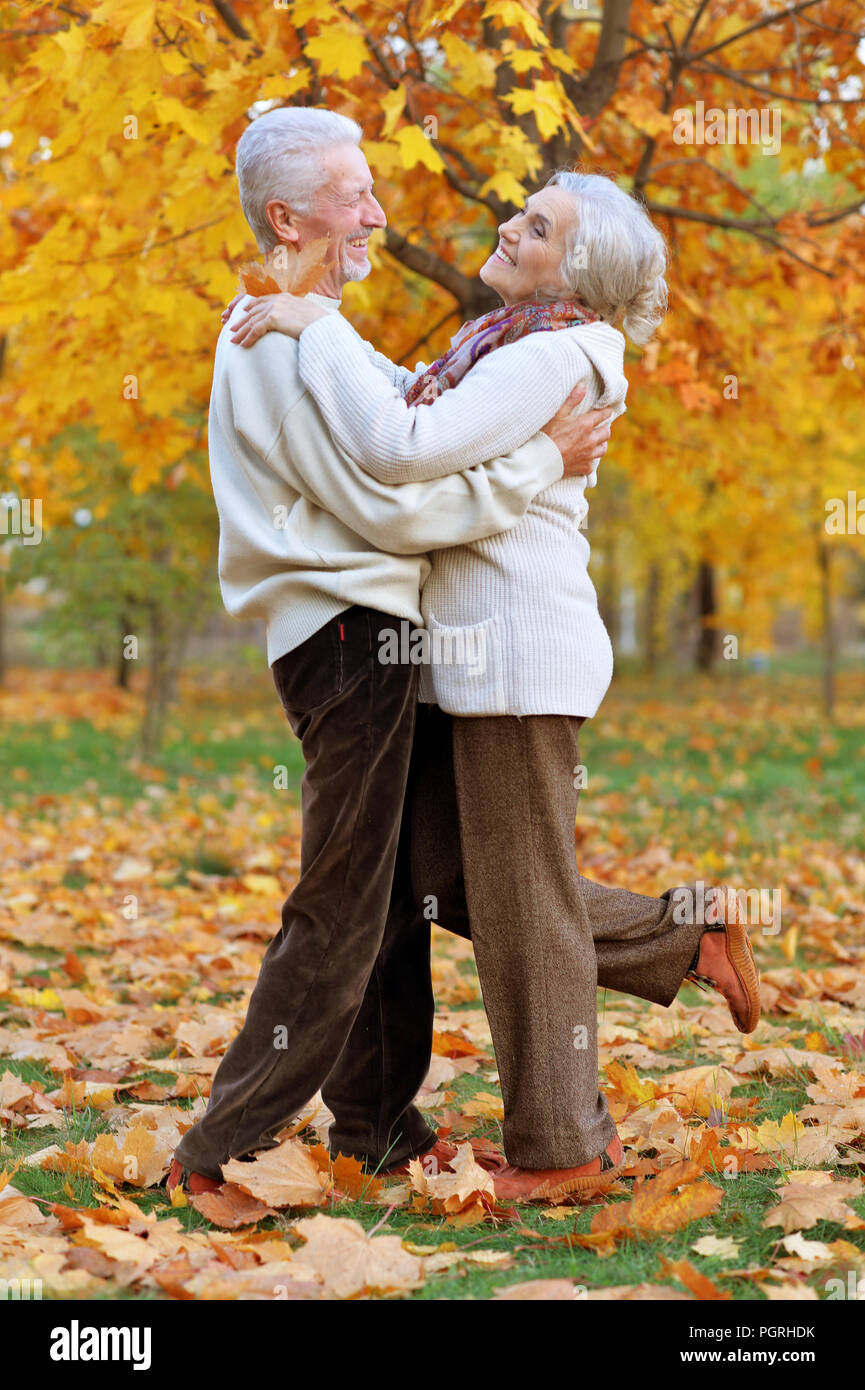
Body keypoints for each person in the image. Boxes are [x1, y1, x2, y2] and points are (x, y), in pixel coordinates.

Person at [224, 168, 761, 1201]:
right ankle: (684, 931)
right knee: (438, 873)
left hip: (515, 662)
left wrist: (310, 326)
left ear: (582, 270)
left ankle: (562, 1148)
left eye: (540, 227)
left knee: (520, 905)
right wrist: (314, 320)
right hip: (467, 665)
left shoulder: (558, 355)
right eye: (521, 213)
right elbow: (410, 395)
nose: (512, 228)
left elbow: (400, 445)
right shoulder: (511, 345)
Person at [167, 108, 618, 1195]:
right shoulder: (274, 338)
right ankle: (218, 1149)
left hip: (374, 635)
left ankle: (374, 1121)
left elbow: (411, 401)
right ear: (288, 216)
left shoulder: (314, 326)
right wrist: (542, 463)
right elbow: (394, 507)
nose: (377, 210)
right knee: (343, 897)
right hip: (345, 638)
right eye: (352, 194)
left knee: (399, 894)